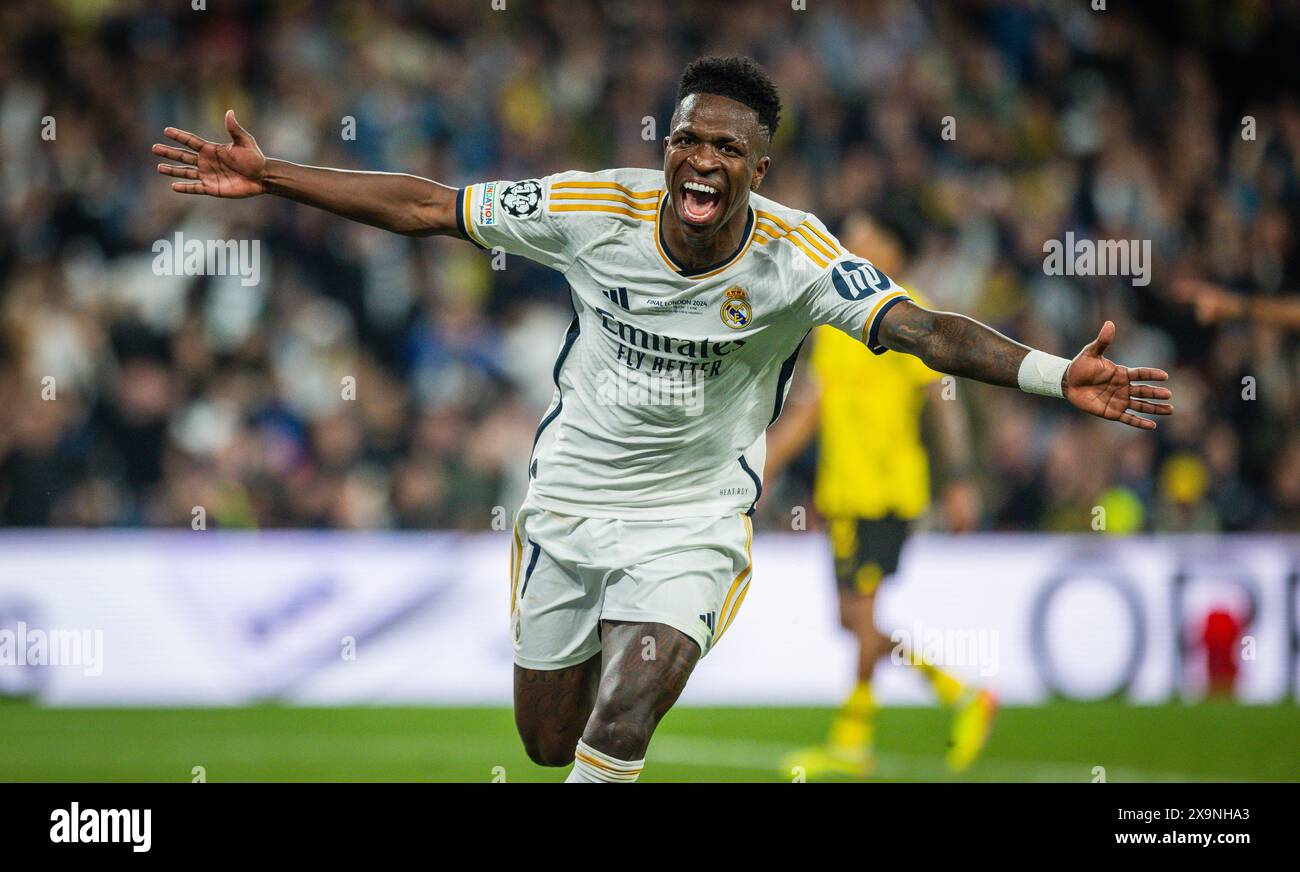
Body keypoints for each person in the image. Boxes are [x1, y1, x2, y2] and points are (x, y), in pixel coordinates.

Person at [153, 56, 1173, 783]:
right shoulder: (593, 207)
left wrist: (1050, 374)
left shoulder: (798, 256)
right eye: (685, 136)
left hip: (694, 514)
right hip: (570, 501)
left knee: (629, 706)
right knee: (549, 743)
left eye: (726, 146)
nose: (699, 157)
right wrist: (271, 175)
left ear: (756, 171)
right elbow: (431, 204)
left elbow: (922, 330)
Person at [764, 213, 991, 779]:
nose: (852, 243)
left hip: (885, 493)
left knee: (862, 620)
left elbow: (943, 398)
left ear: (893, 247)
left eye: (865, 235)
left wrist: (959, 479)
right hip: (844, 494)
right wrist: (762, 465)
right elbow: (811, 407)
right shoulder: (837, 314)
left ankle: (852, 742)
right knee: (853, 623)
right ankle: (958, 693)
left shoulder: (911, 316)